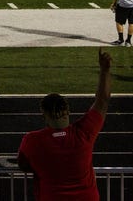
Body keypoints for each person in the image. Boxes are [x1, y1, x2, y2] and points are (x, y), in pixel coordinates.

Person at [18, 49, 113, 200]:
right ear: (68, 111)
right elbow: (103, 100)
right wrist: (105, 70)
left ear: (44, 114)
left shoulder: (32, 141)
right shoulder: (83, 133)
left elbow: (23, 165)